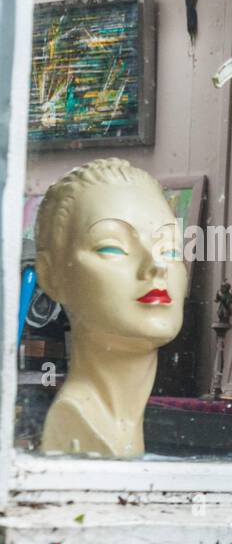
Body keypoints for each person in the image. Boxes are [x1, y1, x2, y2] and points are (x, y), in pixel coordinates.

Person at [34, 159, 187, 456]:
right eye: (112, 247)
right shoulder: (76, 428)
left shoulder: (126, 425)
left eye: (169, 249)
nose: (156, 265)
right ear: (51, 276)